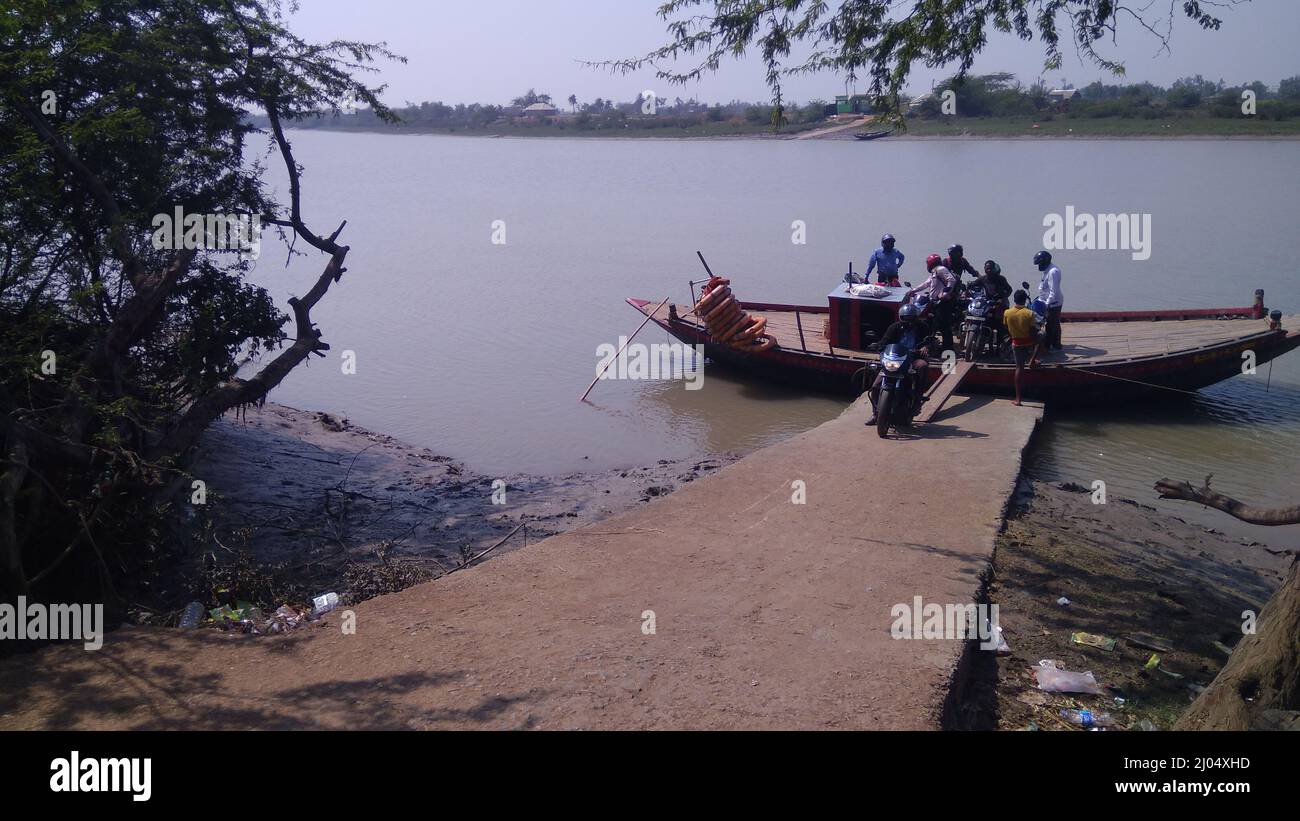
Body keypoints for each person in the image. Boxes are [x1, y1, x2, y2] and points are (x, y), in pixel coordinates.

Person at [866, 303, 932, 426]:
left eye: (911, 318)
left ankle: (918, 398)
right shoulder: (894, 327)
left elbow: (930, 341)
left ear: (916, 318)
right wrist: (877, 345)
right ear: (901, 317)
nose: (908, 321)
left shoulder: (923, 327)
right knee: (875, 387)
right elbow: (885, 341)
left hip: (913, 358)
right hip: (894, 358)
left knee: (922, 366)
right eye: (906, 318)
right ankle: (875, 413)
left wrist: (926, 347)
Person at [906, 254, 958, 353]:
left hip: (942, 302)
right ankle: (933, 345)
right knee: (932, 323)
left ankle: (948, 348)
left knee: (943, 325)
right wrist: (913, 290)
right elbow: (926, 284)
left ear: (931, 263)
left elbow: (951, 280)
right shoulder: (935, 272)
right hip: (934, 302)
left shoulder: (941, 269)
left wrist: (945, 292)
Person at [1003, 289, 1039, 406]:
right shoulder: (1030, 313)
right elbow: (1033, 332)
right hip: (1028, 342)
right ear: (1025, 300)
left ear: (1014, 299)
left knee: (1019, 368)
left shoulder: (1007, 312)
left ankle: (1018, 399)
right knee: (1042, 336)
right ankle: (1033, 359)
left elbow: (1006, 327)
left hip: (1016, 343)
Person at [974, 260, 1013, 345]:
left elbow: (1009, 289)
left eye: (990, 269)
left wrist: (1002, 298)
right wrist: (967, 288)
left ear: (994, 269)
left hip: (1000, 304)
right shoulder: (983, 279)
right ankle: (984, 344)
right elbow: (973, 284)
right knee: (985, 323)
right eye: (987, 268)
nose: (989, 270)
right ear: (984, 269)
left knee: (1000, 326)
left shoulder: (1001, 279)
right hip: (987, 304)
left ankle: (999, 348)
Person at [1033, 250, 1064, 352]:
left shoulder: (1052, 272)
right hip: (1048, 302)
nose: (1039, 266)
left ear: (1045, 262)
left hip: (1053, 303)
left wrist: (1046, 305)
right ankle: (1054, 344)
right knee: (1053, 323)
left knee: (1052, 325)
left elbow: (1053, 291)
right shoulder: (1048, 270)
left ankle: (1054, 346)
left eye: (1040, 263)